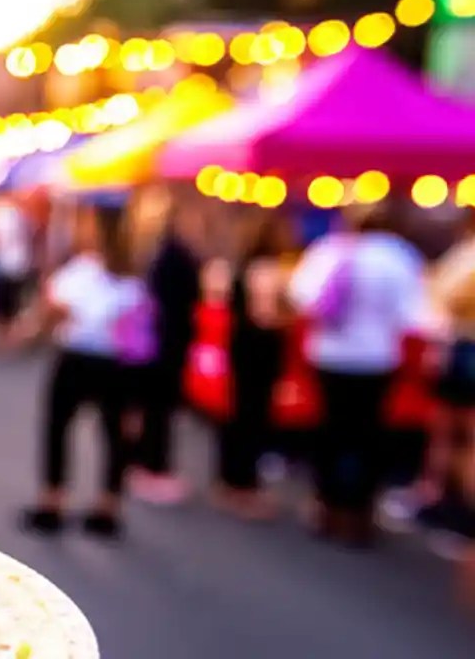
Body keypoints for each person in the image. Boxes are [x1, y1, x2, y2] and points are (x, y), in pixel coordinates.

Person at [289, 202, 428, 546]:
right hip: (376, 358)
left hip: (330, 355)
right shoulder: (398, 256)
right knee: (367, 434)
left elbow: (301, 297)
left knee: (330, 429)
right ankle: (358, 510)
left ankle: (326, 503)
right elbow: (415, 315)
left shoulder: (329, 250)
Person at [22, 205, 147, 538]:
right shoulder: (131, 273)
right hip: (116, 363)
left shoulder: (83, 270)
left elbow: (57, 309)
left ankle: (53, 498)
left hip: (78, 357)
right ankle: (107, 504)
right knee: (113, 434)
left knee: (59, 427)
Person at [217, 211, 290, 520]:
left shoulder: (241, 267)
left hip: (242, 347)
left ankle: (231, 478)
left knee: (239, 412)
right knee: (253, 415)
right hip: (260, 349)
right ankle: (242, 483)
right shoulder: (267, 270)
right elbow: (266, 315)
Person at [131, 206, 204, 504]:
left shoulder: (159, 254)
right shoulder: (174, 257)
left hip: (159, 342)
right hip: (166, 343)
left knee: (155, 407)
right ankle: (152, 466)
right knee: (159, 408)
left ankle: (146, 463)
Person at [418, 209, 475, 557]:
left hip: (466, 348)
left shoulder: (467, 257)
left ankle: (455, 511)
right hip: (462, 348)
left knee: (457, 434)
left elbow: (445, 297)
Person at [0, 193, 32, 351]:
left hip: (2, 263)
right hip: (19, 262)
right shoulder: (20, 214)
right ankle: (11, 335)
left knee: (2, 301)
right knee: (14, 300)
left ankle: (4, 336)